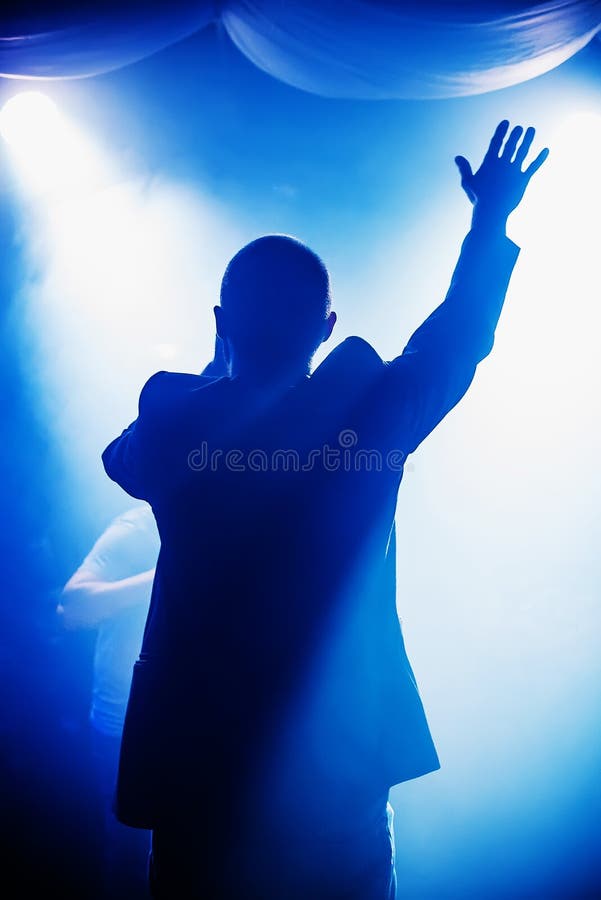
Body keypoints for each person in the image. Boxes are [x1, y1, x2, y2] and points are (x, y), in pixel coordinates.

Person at [102, 121, 548, 899]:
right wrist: (488, 220)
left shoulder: (173, 418)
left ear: (222, 322)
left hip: (200, 768)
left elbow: (122, 461)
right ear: (326, 327)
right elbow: (456, 340)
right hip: (334, 771)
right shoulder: (370, 416)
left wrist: (219, 372)